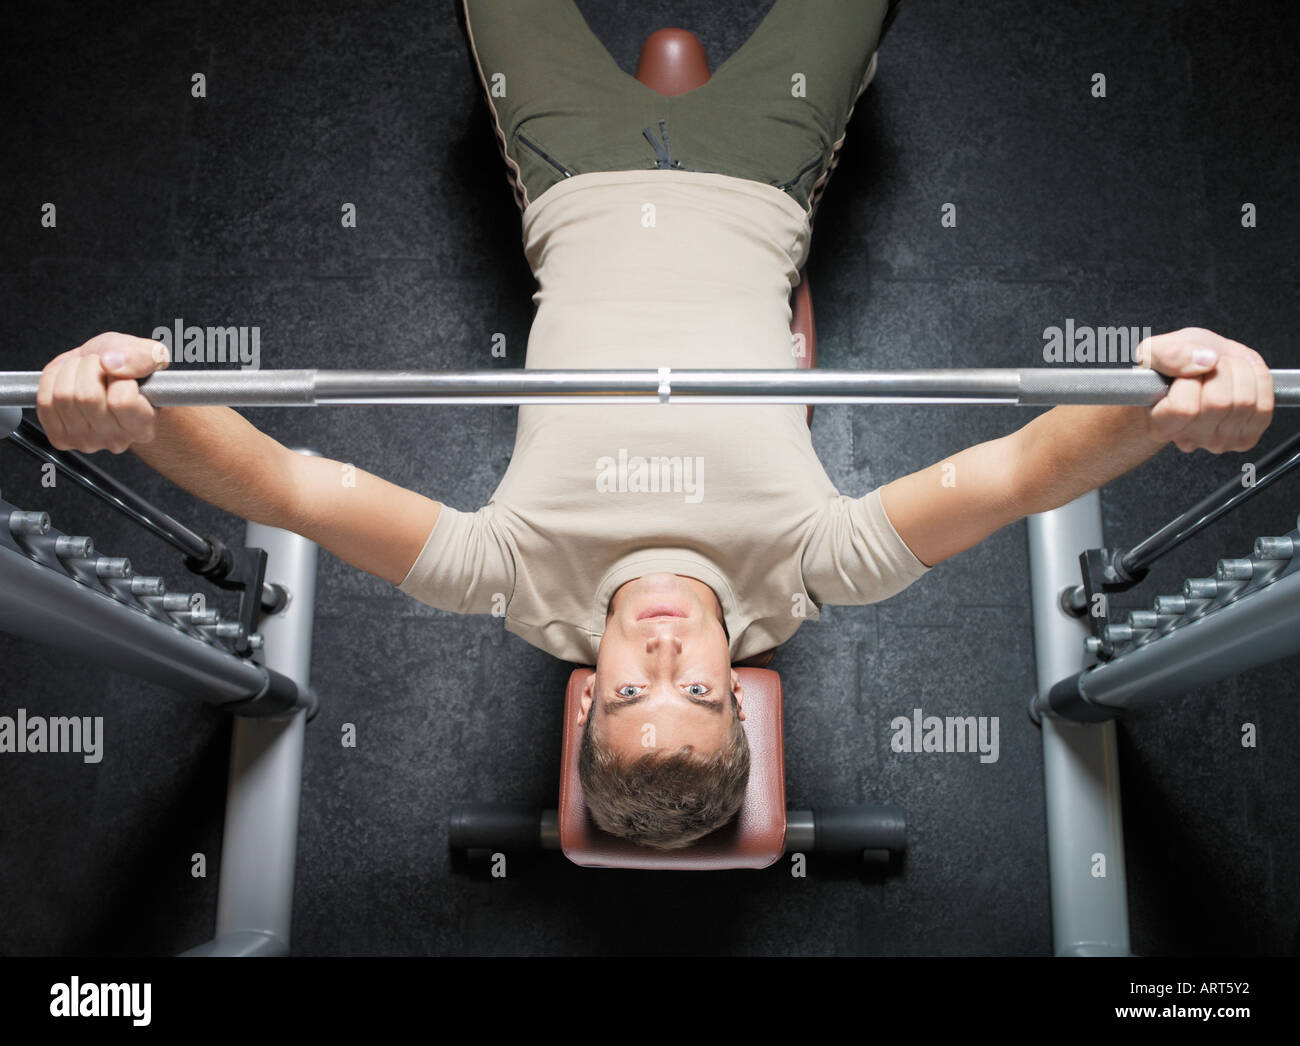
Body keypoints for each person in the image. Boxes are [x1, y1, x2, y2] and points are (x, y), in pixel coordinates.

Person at [32, 0, 1274, 850]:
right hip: (758, 174)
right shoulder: (817, 569)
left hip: (573, 174)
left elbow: (291, 486)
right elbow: (1014, 470)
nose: (668, 656)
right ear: (743, 699)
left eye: (633, 689)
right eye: (695, 690)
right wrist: (1162, 401)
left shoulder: (504, 577)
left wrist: (131, 418)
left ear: (585, 700)